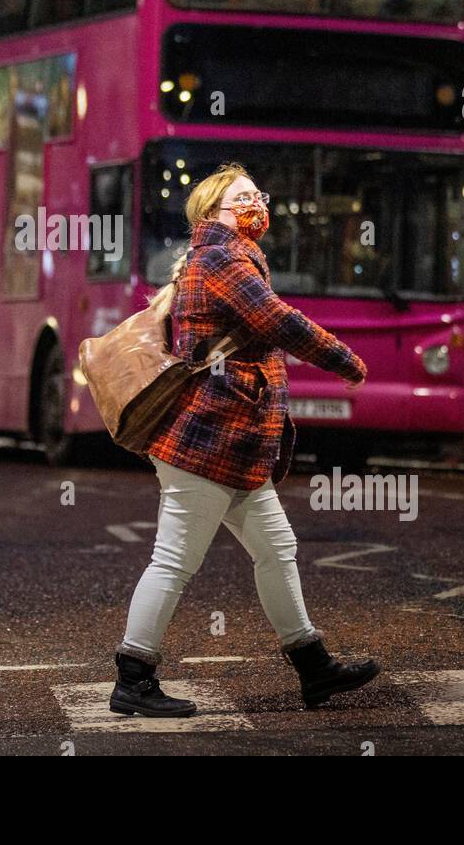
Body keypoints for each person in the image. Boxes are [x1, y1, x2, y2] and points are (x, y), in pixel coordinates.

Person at [109, 163, 380, 716]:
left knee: (276, 549)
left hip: (234, 444)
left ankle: (314, 668)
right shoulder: (221, 259)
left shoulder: (222, 257)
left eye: (258, 192)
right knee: (175, 560)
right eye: (243, 196)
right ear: (214, 212)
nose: (257, 202)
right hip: (208, 442)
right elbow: (278, 320)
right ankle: (133, 680)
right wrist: (343, 360)